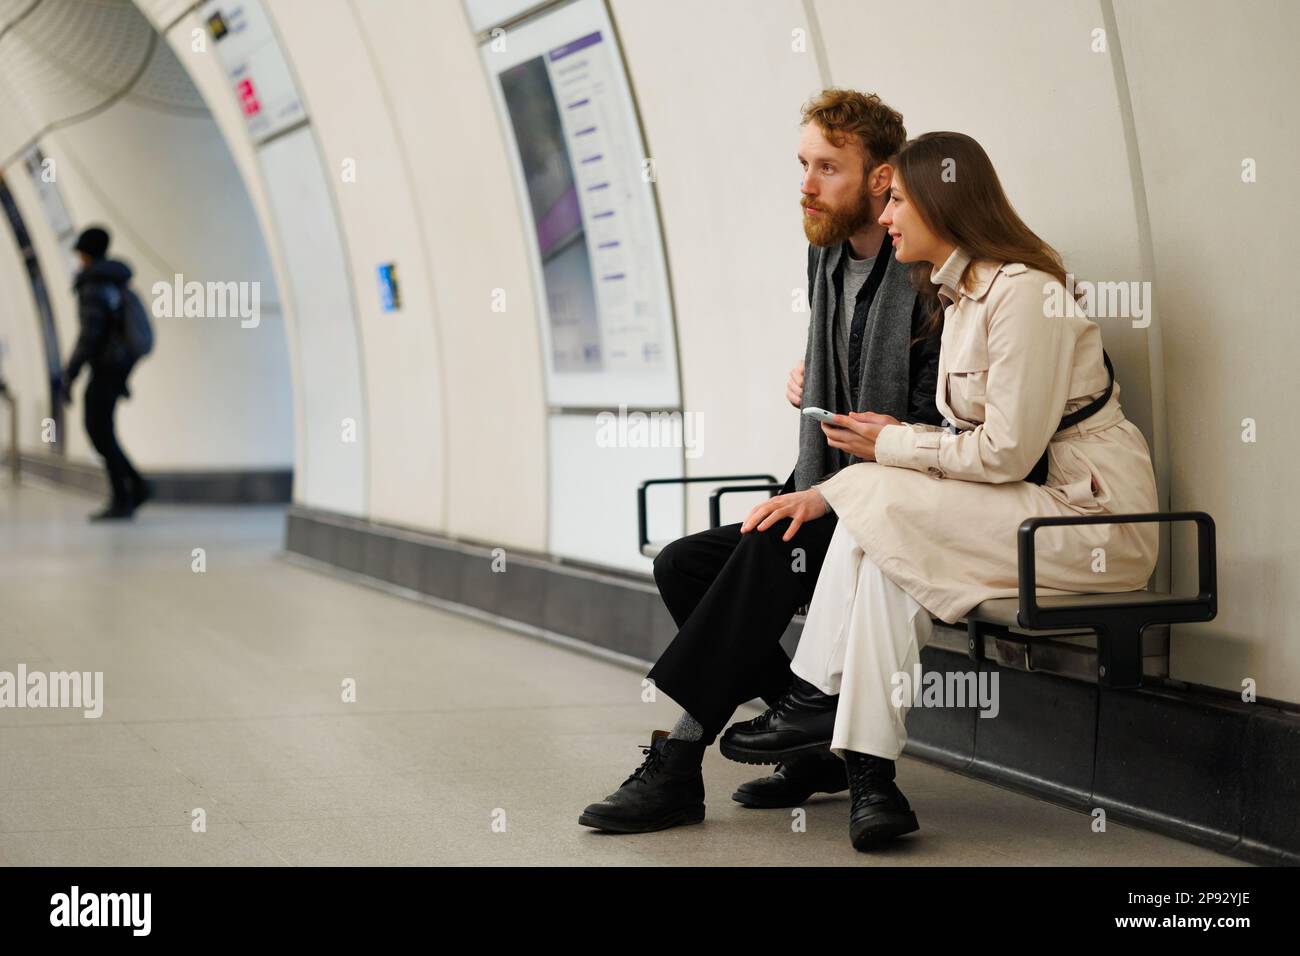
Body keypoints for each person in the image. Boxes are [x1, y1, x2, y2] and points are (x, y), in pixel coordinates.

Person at [719, 131, 1160, 850]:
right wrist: (883, 454)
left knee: (879, 508)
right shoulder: (957, 299)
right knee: (889, 550)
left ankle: (817, 701)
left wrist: (880, 451)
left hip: (1091, 524)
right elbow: (962, 449)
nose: (885, 215)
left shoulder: (1024, 295)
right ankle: (869, 773)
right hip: (1028, 511)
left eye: (895, 200)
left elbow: (1005, 453)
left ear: (940, 201)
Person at [578, 90, 944, 834]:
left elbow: (941, 421)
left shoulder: (923, 271)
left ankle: (683, 759)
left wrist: (838, 477)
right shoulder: (826, 252)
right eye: (803, 164)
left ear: (881, 180)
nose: (806, 183)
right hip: (826, 480)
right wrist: (811, 376)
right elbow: (844, 360)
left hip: (892, 500)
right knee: (682, 564)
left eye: (827, 167)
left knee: (764, 549)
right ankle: (813, 744)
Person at [62, 226, 150, 521]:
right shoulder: (116, 283)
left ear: (85, 254)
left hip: (105, 368)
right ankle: (135, 487)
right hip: (116, 367)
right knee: (103, 430)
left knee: (98, 431)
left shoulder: (94, 286)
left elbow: (90, 335)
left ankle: (125, 496)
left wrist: (70, 373)